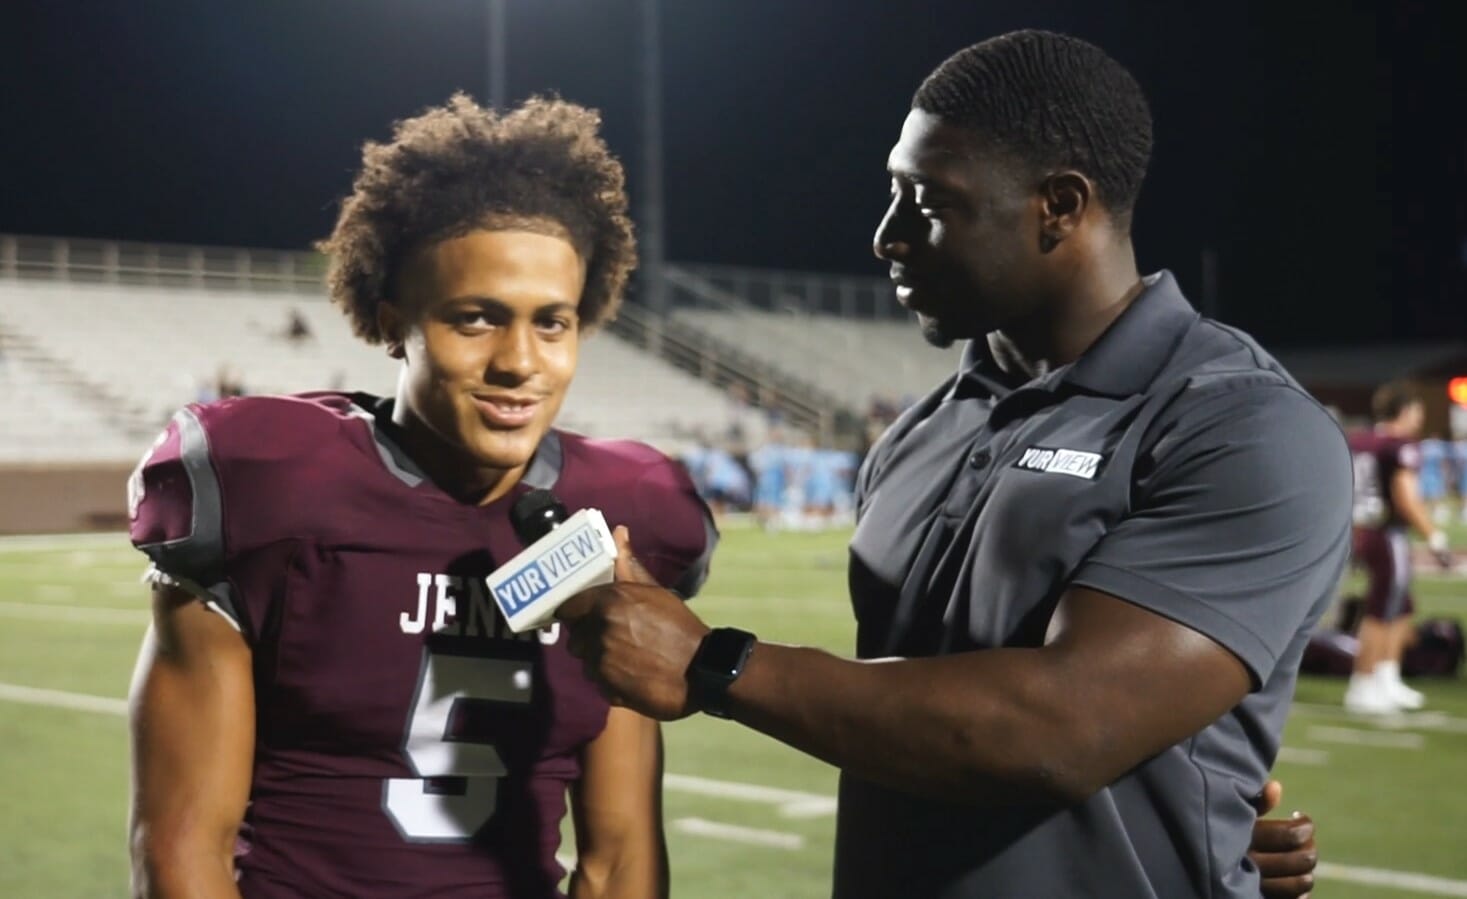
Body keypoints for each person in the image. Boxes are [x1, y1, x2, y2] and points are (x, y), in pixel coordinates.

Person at [556, 30, 1336, 899]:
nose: (887, 237)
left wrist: (716, 664)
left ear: (1059, 205)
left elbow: (1062, 726)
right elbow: (906, 720)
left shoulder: (1238, 424)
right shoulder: (919, 433)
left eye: (926, 203)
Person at [125, 94, 715, 898]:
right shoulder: (270, 485)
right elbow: (184, 843)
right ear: (393, 320)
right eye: (475, 319)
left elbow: (618, 860)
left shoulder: (622, 511)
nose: (520, 362)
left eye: (553, 323)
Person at [1345, 381, 1453, 713]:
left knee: (1400, 604)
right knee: (1382, 609)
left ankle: (1385, 676)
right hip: (1385, 531)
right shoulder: (1398, 445)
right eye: (1417, 410)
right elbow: (1405, 497)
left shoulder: (1361, 440)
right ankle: (1363, 683)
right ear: (1404, 411)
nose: (1419, 417)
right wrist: (1434, 536)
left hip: (1363, 528)